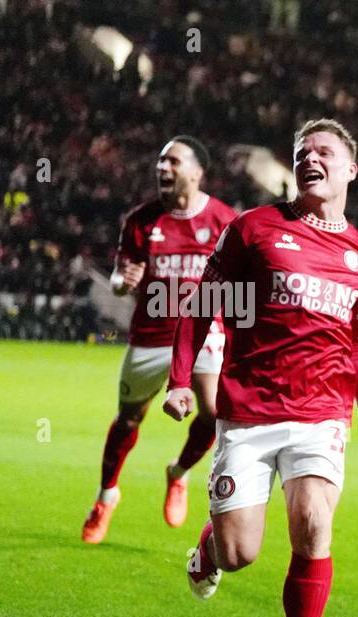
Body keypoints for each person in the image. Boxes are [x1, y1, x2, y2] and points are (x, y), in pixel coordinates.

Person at [163, 118, 358, 617]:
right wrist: (181, 381)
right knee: (240, 554)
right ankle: (209, 549)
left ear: (350, 169)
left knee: (315, 521)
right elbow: (199, 307)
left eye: (324, 152)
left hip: (321, 413)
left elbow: (357, 338)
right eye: (301, 152)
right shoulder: (256, 229)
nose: (311, 159)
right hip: (249, 411)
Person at [81, 136, 235, 543]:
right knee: (130, 418)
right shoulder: (141, 219)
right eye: (160, 161)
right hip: (150, 335)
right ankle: (106, 496)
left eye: (172, 161)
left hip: (205, 332)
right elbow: (119, 275)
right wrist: (120, 282)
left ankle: (179, 472)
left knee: (215, 410)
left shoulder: (223, 220)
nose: (162, 168)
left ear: (197, 172)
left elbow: (242, 280)